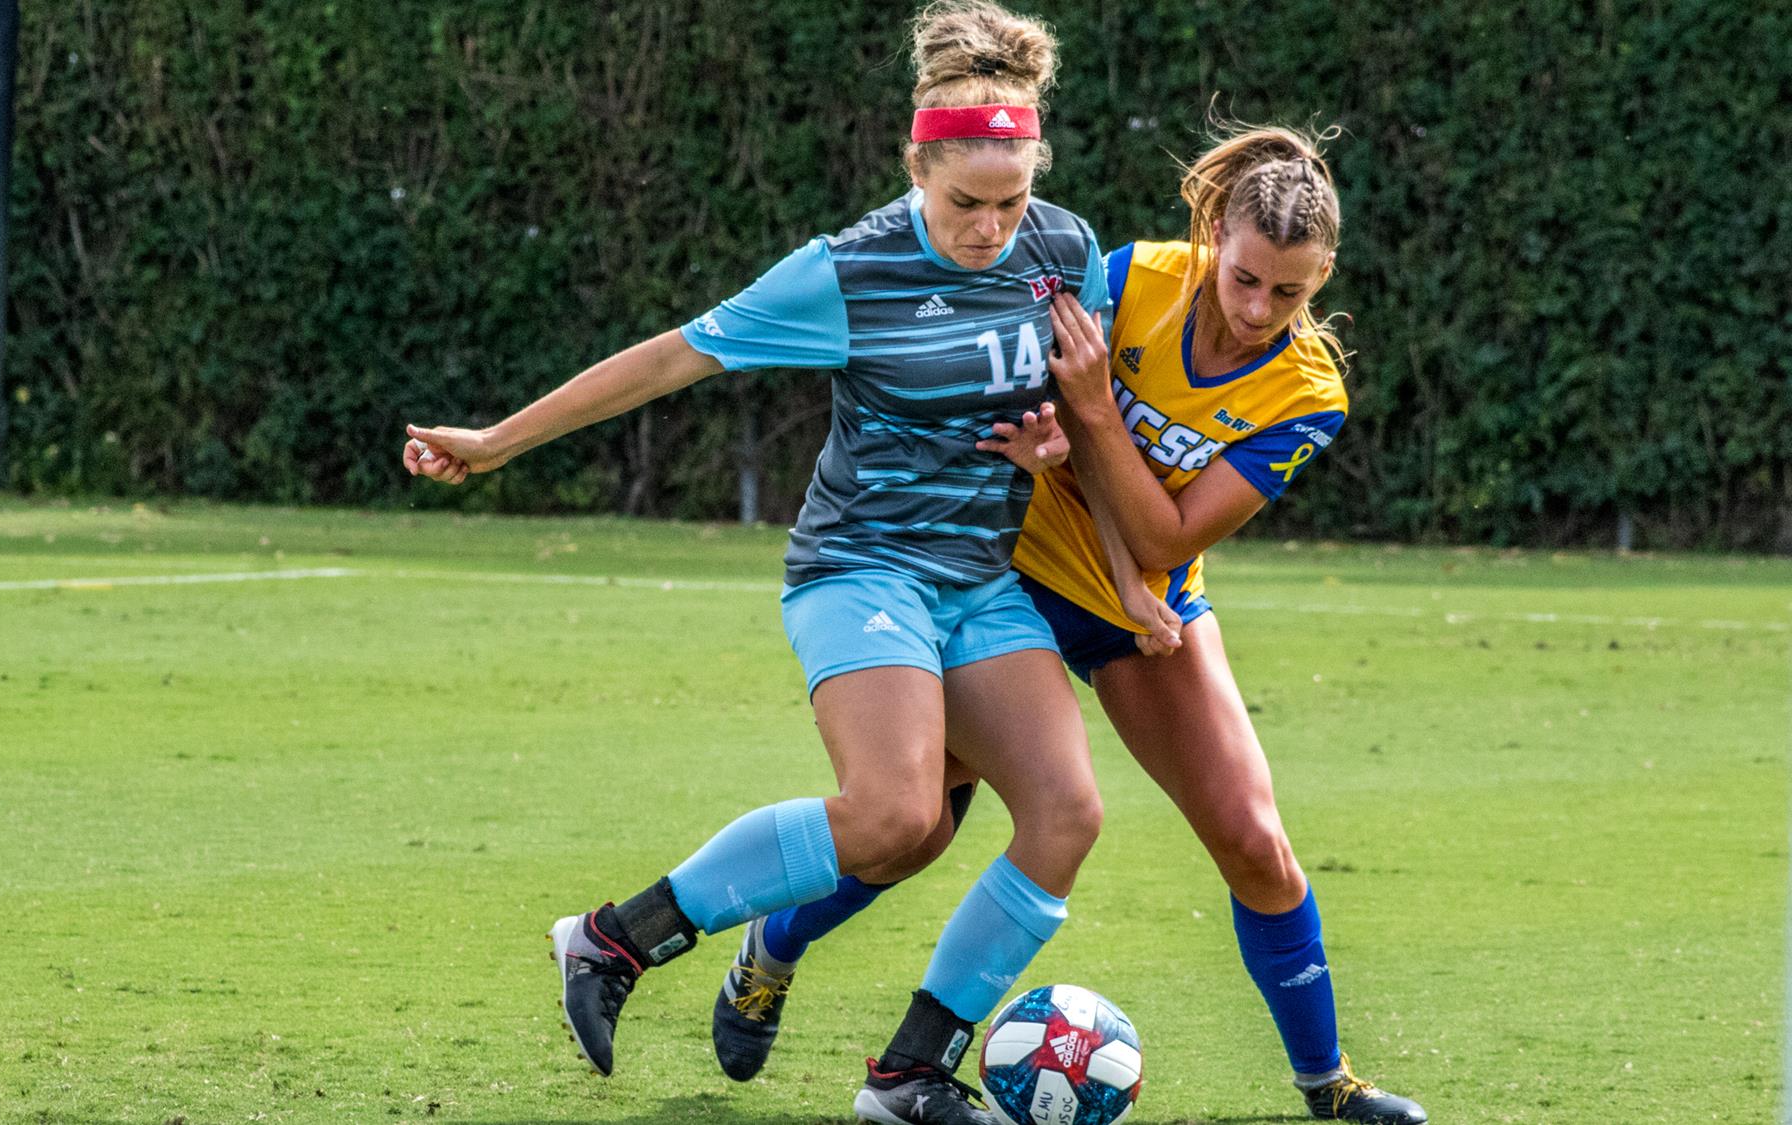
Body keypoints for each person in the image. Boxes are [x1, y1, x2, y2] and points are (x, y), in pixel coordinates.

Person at [403, 4, 1180, 1122]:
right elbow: (668, 358)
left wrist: (1125, 578)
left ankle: (907, 1075)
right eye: (964, 203)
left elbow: (1084, 427)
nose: (988, 228)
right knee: (893, 818)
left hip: (977, 580)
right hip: (859, 571)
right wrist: (494, 442)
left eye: (1008, 202)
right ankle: (613, 942)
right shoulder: (845, 272)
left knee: (1066, 815)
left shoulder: (1060, 251)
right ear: (916, 167)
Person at [713, 124, 1430, 1125]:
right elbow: (1010, 406)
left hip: (1143, 610)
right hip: (1002, 576)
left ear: (1320, 281)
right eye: (1245, 279)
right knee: (918, 824)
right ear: (1215, 235)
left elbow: (1166, 535)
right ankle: (773, 950)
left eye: (1289, 293)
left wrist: (1094, 418)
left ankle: (1326, 1083)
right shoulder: (1126, 277)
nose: (1258, 310)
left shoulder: (1304, 392)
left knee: (1254, 842)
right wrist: (1058, 428)